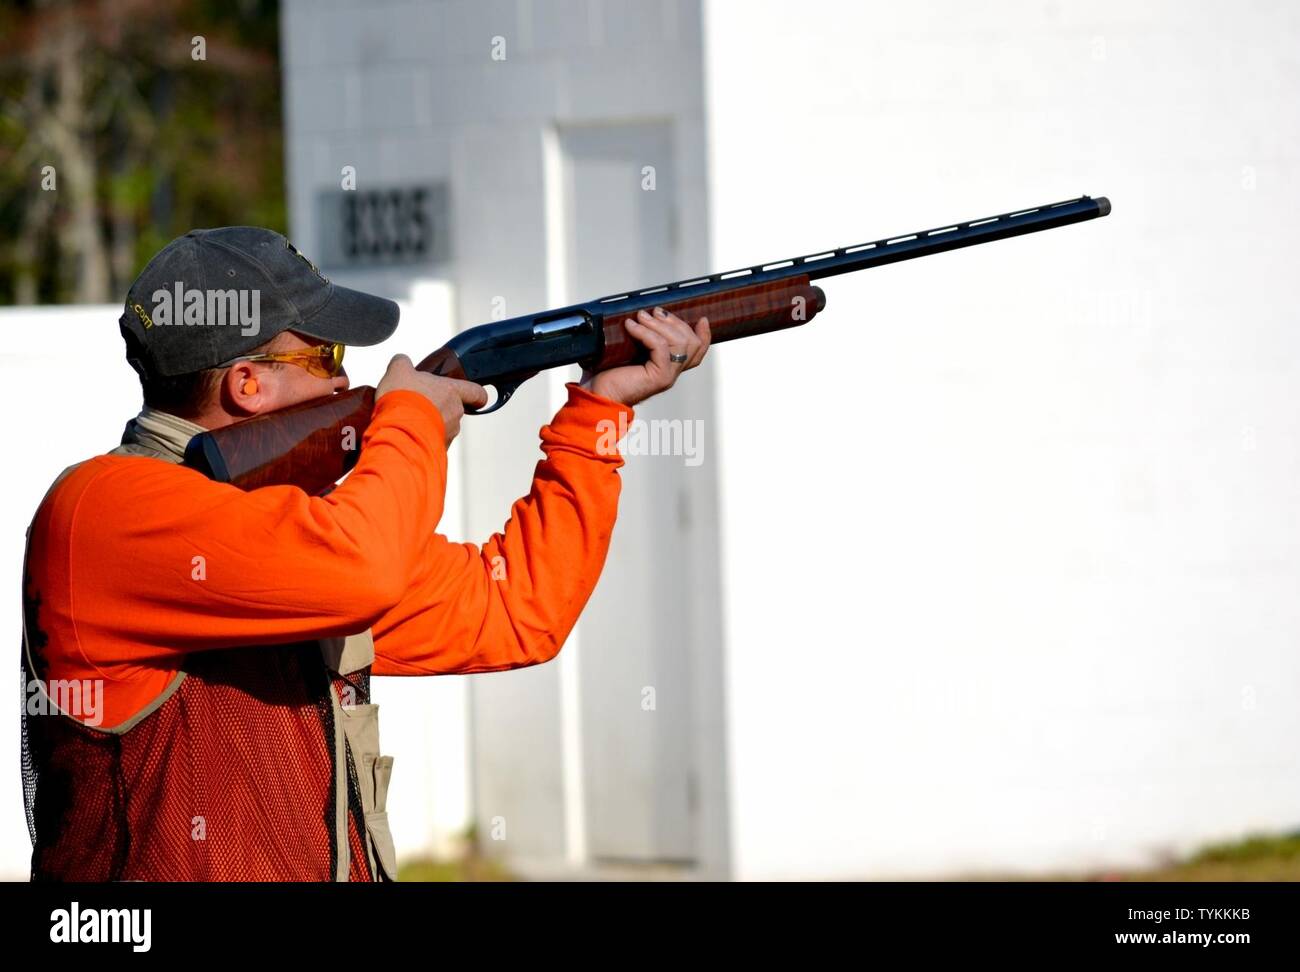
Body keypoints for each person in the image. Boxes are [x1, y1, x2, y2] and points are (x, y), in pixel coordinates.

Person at [19, 226, 709, 881]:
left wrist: (597, 412)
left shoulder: (292, 529)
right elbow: (363, 570)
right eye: (325, 359)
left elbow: (517, 611)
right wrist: (409, 420)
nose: (347, 386)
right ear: (246, 386)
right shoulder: (102, 511)